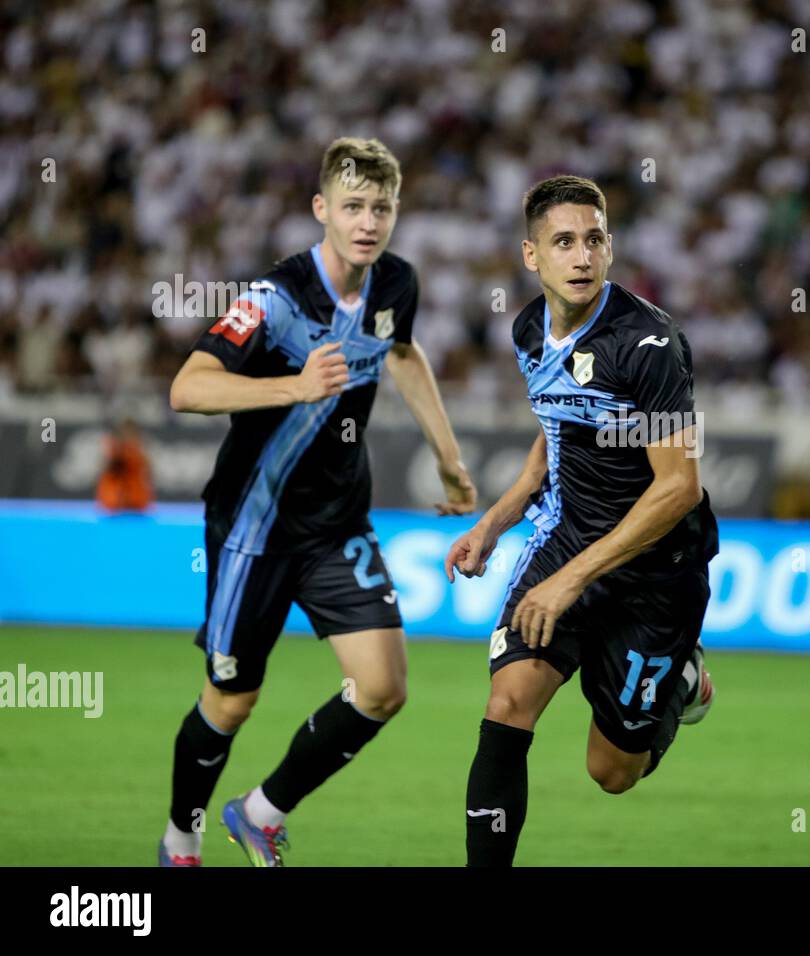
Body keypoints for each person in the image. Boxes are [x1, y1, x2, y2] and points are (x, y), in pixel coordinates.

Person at [159, 137, 476, 866]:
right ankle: (182, 837)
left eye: (382, 207)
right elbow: (188, 387)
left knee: (383, 688)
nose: (368, 221)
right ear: (321, 210)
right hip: (253, 528)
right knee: (232, 701)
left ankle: (260, 811)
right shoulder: (273, 300)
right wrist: (293, 386)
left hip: (337, 523)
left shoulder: (396, 284)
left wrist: (449, 458)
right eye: (353, 206)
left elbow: (401, 351)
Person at [445, 175, 717, 866]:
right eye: (563, 242)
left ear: (610, 247)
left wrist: (569, 582)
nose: (582, 255)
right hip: (567, 538)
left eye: (594, 239)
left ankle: (679, 680)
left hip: (657, 569)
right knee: (507, 704)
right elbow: (554, 435)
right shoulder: (527, 330)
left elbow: (679, 487)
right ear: (531, 256)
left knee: (612, 772)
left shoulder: (651, 345)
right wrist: (495, 523)